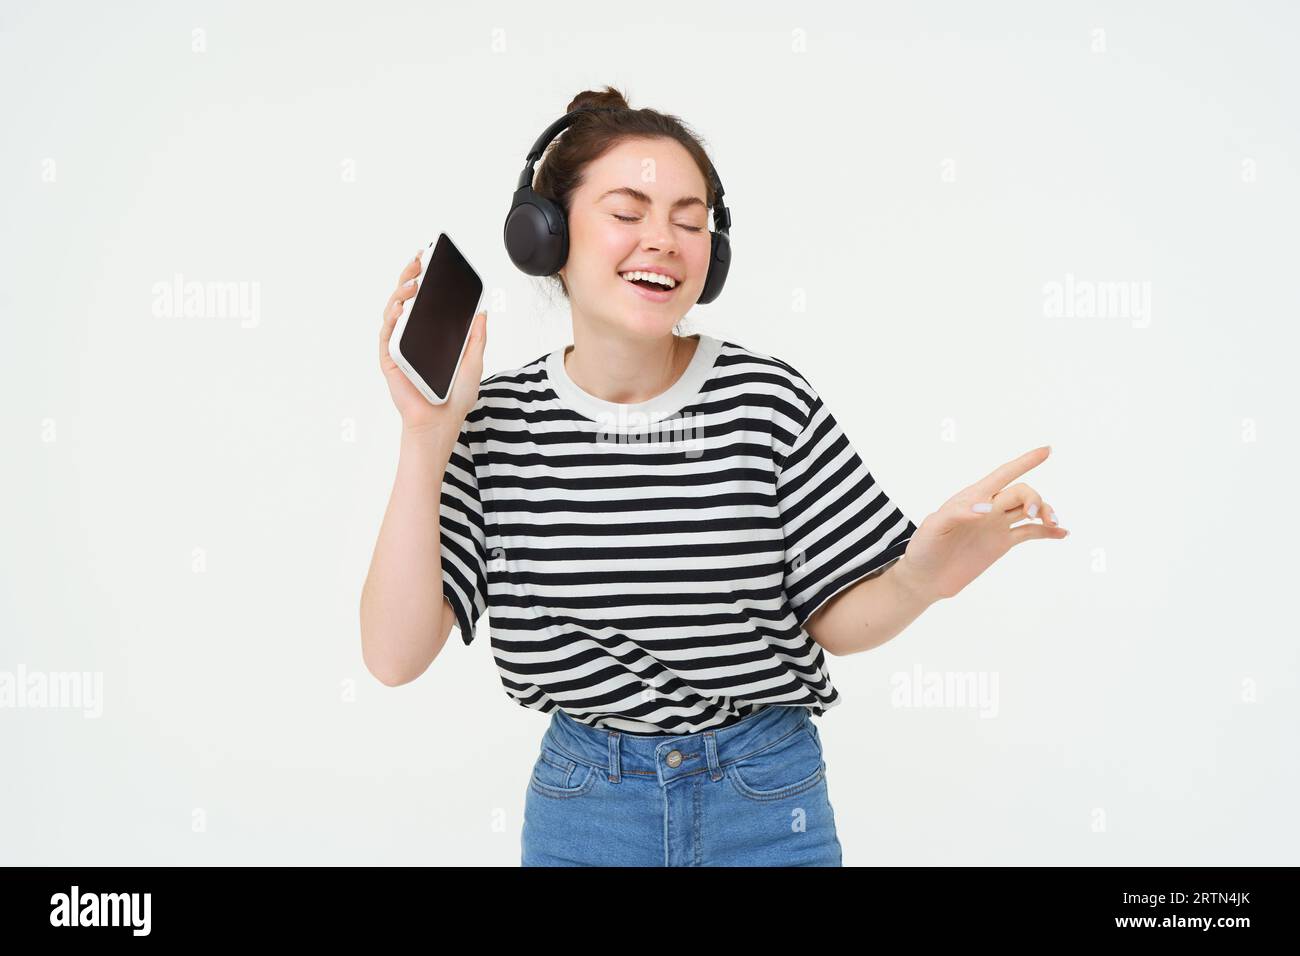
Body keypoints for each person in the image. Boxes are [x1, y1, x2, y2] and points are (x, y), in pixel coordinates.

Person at [359, 86, 1069, 867]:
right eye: (628, 214)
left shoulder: (765, 400)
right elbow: (394, 658)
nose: (662, 239)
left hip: (765, 797)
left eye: (690, 222)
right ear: (546, 234)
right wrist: (427, 436)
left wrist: (922, 578)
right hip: (583, 812)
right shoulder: (492, 424)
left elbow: (834, 619)